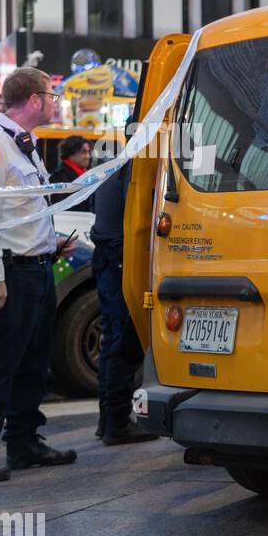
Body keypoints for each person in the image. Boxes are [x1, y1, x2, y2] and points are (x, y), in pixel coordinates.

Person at [0, 68, 77, 482]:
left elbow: (24, 212)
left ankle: (23, 442)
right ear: (34, 99)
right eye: (52, 93)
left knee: (32, 363)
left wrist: (51, 244)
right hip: (8, 272)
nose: (56, 100)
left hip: (37, 269)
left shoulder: (27, 146)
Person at [90, 158, 157, 445]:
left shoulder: (114, 166)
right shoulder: (134, 171)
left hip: (108, 260)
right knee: (123, 344)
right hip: (121, 262)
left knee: (112, 342)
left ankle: (108, 420)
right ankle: (117, 423)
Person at [49, 135, 91, 205]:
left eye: (89, 152)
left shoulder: (87, 173)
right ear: (71, 153)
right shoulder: (58, 178)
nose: (88, 156)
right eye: (83, 152)